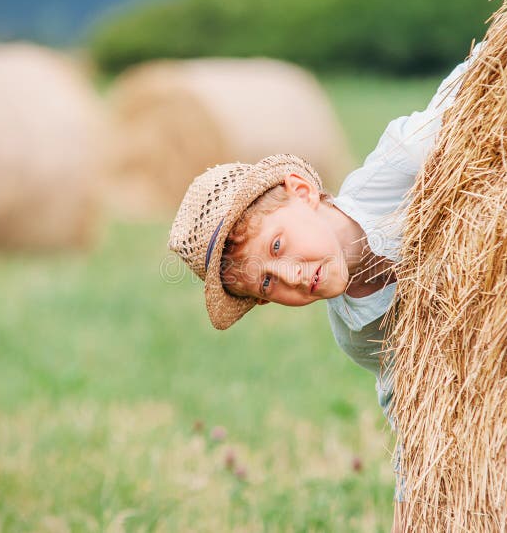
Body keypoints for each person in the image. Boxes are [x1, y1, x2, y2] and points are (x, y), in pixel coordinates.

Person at [168, 43, 481, 521]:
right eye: (267, 286)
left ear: (303, 191)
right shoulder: (358, 332)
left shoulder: (399, 165)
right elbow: (421, 415)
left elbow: (484, 89)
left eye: (277, 246)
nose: (292, 275)